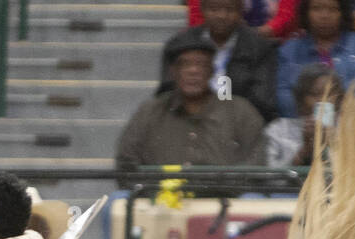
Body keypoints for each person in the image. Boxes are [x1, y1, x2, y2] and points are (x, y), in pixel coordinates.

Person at [117, 36, 268, 175]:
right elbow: (127, 162)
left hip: (227, 199)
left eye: (201, 65)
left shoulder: (241, 111)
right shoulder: (149, 111)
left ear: (212, 71)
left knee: (253, 198)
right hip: (159, 199)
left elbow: (257, 162)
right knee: (118, 199)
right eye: (185, 64)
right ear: (173, 71)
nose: (193, 71)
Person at [160, 0, 279, 121]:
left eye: (230, 9)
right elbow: (167, 92)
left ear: (240, 11)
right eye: (213, 9)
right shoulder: (179, 45)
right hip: (188, 122)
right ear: (202, 9)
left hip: (240, 125)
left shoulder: (259, 48)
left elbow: (262, 101)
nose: (221, 15)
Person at [276, 0, 355, 116]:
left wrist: (332, 97)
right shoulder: (290, 50)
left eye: (333, 9)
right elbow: (283, 95)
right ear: (306, 13)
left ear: (342, 13)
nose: (324, 15)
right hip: (306, 125)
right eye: (316, 8)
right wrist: (316, 116)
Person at [266, 65, 355, 161]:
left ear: (340, 98)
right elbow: (269, 179)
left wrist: (333, 143)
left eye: (330, 94)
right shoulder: (279, 130)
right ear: (300, 100)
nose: (323, 100)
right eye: (315, 94)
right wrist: (306, 150)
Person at [187, 0, 299, 40]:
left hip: (275, 45)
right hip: (212, 42)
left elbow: (287, 17)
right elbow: (197, 20)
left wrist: (251, 35)